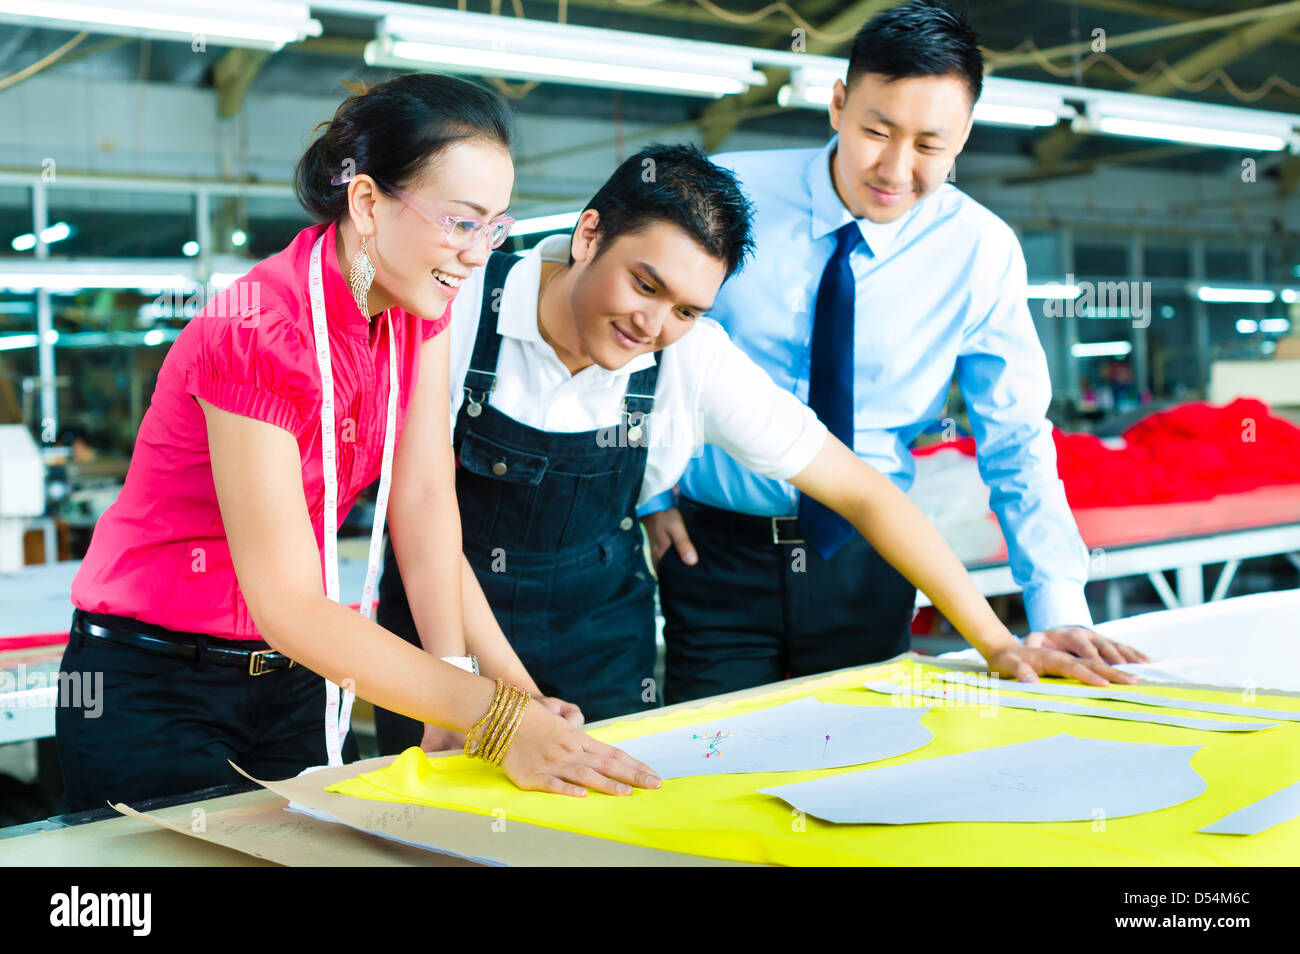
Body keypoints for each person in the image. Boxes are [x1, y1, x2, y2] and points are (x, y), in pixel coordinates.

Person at [374, 142, 1140, 750]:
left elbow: (863, 492)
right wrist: (499, 691)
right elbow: (426, 517)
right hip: (440, 622)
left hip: (599, 635)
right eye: (644, 285)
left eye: (685, 308)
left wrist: (999, 641)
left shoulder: (692, 357)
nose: (652, 326)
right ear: (587, 235)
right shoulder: (460, 306)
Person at [57, 73, 660, 813]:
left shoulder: (417, 310)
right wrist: (491, 713)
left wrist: (494, 689)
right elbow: (285, 602)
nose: (477, 254)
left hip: (298, 676)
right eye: (460, 222)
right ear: (368, 202)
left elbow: (424, 500)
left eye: (495, 226)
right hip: (157, 681)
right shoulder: (257, 328)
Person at [642, 0, 1148, 705]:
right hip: (712, 547)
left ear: (964, 135)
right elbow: (642, 339)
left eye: (929, 145)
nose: (895, 168)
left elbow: (1017, 438)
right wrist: (650, 491)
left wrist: (1058, 606)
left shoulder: (979, 252)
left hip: (870, 551)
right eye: (876, 130)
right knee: (707, 756)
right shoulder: (725, 196)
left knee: (861, 765)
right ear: (839, 103)